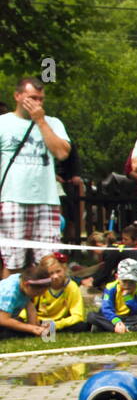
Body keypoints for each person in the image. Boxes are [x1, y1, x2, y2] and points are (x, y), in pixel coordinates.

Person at [0, 77, 71, 278]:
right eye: (32, 98)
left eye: (40, 99)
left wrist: (40, 121)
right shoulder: (3, 123)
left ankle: (45, 309)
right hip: (12, 198)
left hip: (46, 200)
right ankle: (9, 307)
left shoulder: (53, 123)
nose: (37, 103)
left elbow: (62, 153)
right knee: (13, 261)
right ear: (17, 96)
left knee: (48, 262)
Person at [25, 254, 87, 333]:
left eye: (58, 271)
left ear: (64, 269)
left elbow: (78, 315)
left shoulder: (71, 287)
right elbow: (28, 307)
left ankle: (49, 330)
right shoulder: (41, 286)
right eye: (51, 273)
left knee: (80, 325)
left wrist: (56, 325)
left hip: (61, 321)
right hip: (40, 319)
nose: (55, 276)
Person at [90, 257, 137, 333]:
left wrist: (128, 299)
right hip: (112, 317)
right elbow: (106, 308)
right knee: (92, 316)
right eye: (124, 281)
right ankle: (127, 328)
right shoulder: (110, 288)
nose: (127, 285)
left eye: (131, 282)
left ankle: (106, 328)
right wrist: (116, 321)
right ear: (117, 277)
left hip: (129, 317)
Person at [0, 264, 52, 338]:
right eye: (37, 292)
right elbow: (3, 319)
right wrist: (32, 328)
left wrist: (35, 326)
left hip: (8, 317)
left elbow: (29, 306)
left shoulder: (23, 281)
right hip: (3, 319)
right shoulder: (10, 291)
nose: (39, 295)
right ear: (26, 285)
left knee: (25, 331)